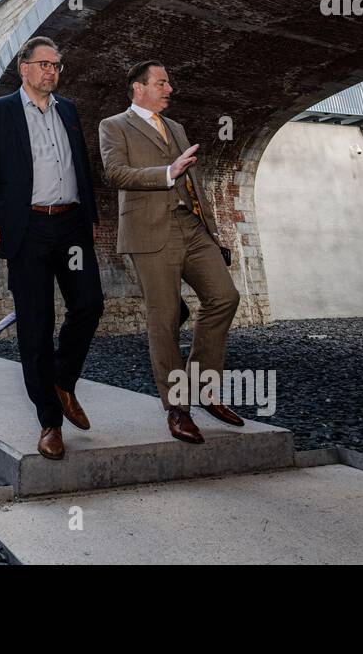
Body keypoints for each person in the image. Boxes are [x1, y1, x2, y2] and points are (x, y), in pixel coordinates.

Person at [0, 36, 104, 460]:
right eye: (44, 64)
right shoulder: (0, 112)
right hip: (27, 228)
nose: (52, 71)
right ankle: (50, 420)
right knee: (35, 325)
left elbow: (81, 163)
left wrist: (90, 219)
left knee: (90, 305)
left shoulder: (69, 110)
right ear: (23, 68)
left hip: (70, 224)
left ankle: (63, 381)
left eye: (57, 65)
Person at [98, 60, 243, 444]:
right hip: (149, 232)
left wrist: (212, 230)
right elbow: (114, 173)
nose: (169, 89)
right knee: (163, 318)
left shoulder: (176, 127)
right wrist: (166, 172)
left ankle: (201, 384)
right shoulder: (113, 126)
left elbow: (192, 179)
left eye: (169, 82)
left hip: (192, 228)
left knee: (224, 297)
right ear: (138, 88)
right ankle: (177, 407)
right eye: (161, 83)